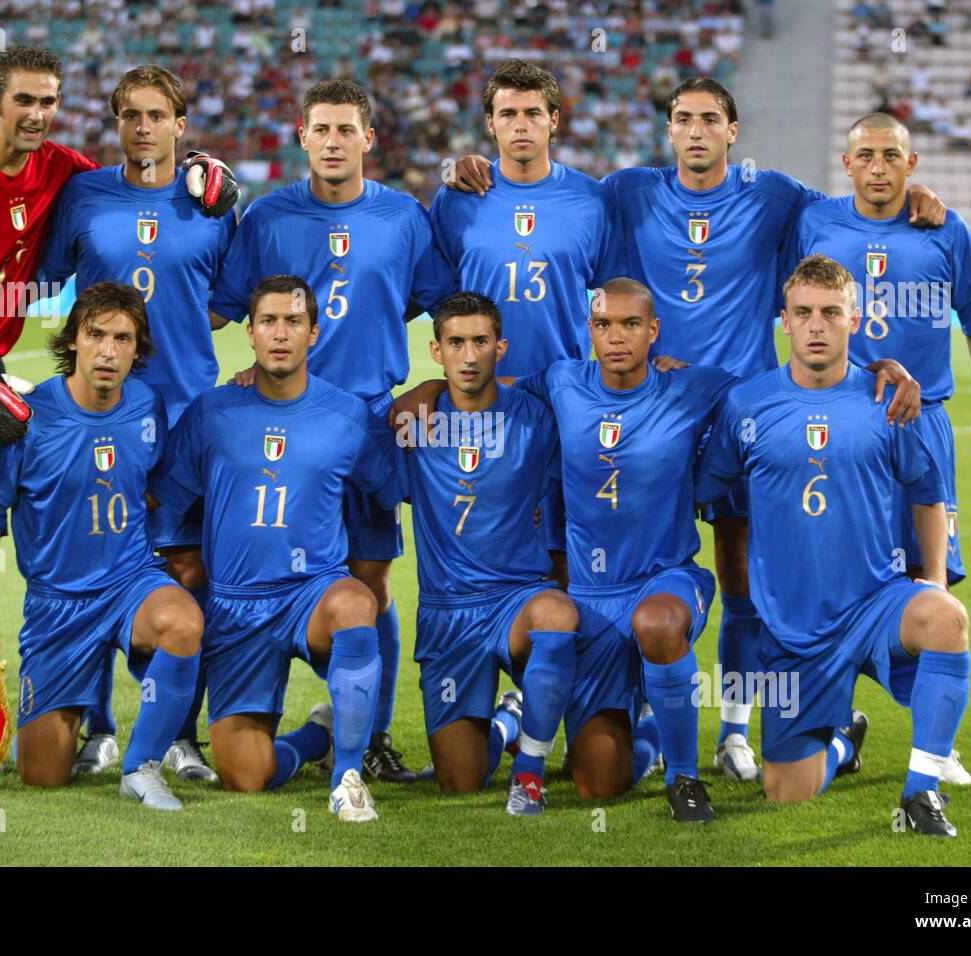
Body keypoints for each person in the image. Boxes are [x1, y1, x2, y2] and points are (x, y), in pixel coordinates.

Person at [445, 77, 928, 785]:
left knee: (743, 582)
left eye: (710, 119)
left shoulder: (774, 195)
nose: (696, 130)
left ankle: (734, 731)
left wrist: (916, 202)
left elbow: (857, 209)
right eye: (683, 119)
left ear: (732, 130)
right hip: (643, 412)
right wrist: (463, 174)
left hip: (744, 415)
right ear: (668, 129)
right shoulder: (626, 191)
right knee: (582, 555)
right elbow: (544, 197)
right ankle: (588, 695)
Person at [0, 45, 234, 786]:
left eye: (48, 103)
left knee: (172, 560)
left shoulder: (64, 171)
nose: (36, 115)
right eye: (23, 101)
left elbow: (173, 191)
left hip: (11, 380)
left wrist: (218, 182)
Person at [210, 79, 456, 784]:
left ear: (368, 139)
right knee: (270, 572)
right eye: (321, 129)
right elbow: (224, 311)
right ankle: (249, 719)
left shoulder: (405, 217)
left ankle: (370, 736)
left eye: (347, 130)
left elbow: (440, 307)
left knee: (369, 579)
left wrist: (433, 382)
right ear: (302, 135)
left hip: (372, 424)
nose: (333, 141)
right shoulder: (265, 219)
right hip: (278, 423)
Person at [696, 255, 971, 837]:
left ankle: (922, 792)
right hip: (793, 629)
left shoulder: (887, 401)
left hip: (876, 602)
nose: (816, 324)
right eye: (803, 312)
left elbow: (927, 493)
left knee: (946, 620)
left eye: (829, 312)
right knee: (786, 792)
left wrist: (937, 580)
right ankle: (845, 742)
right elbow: (710, 489)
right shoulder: (746, 405)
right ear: (785, 321)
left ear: (855, 319)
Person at [795, 112, 971, 784]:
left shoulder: (946, 228)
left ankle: (935, 741)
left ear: (912, 165)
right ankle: (839, 722)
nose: (879, 167)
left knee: (929, 578)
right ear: (847, 161)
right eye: (866, 155)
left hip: (923, 425)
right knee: (839, 572)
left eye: (892, 155)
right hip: (841, 423)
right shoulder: (813, 222)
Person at [38, 64, 239, 782]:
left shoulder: (212, 204)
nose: (143, 127)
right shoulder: (85, 195)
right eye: (130, 115)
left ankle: (181, 733)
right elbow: (43, 280)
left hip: (187, 416)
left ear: (181, 126)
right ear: (116, 123)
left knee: (189, 570)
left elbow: (231, 299)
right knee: (90, 562)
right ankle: (96, 725)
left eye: (157, 115)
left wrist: (168, 331)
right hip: (97, 418)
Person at [150, 275, 405, 821]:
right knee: (247, 778)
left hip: (311, 592)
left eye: (293, 322)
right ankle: (319, 736)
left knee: (356, 603)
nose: (281, 333)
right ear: (251, 333)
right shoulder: (211, 412)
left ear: (314, 332)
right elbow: (166, 497)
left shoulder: (349, 416)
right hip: (235, 605)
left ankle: (350, 776)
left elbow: (394, 489)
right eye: (269, 321)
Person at [0, 281, 203, 810]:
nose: (108, 351)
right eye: (96, 335)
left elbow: (151, 484)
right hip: (57, 606)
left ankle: (141, 766)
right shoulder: (27, 419)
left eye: (123, 338)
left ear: (139, 349)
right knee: (43, 775)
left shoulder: (147, 405)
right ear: (72, 342)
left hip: (130, 582)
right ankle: (89, 715)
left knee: (183, 621)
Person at [513, 278, 732, 823]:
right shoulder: (563, 380)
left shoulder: (693, 388)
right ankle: (654, 729)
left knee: (656, 624)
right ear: (590, 330)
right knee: (598, 785)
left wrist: (875, 370)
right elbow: (494, 389)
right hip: (591, 598)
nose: (617, 337)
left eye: (631, 325)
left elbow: (787, 388)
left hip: (666, 579)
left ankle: (685, 778)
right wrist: (427, 395)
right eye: (604, 325)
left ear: (653, 330)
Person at [427, 59, 623, 589]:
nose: (520, 124)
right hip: (480, 402)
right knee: (483, 550)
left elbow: (616, 300)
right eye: (507, 113)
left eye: (533, 113)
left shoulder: (592, 200)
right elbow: (440, 299)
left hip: (565, 401)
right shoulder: (457, 198)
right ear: (489, 124)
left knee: (565, 554)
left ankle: (563, 670)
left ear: (554, 120)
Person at [398, 291, 578, 816]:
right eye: (456, 342)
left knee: (557, 617)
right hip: (447, 614)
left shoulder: (539, 420)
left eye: (480, 341)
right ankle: (508, 721)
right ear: (437, 351)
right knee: (461, 783)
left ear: (501, 347)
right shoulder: (412, 425)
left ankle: (530, 776)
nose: (469, 355)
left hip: (518, 600)